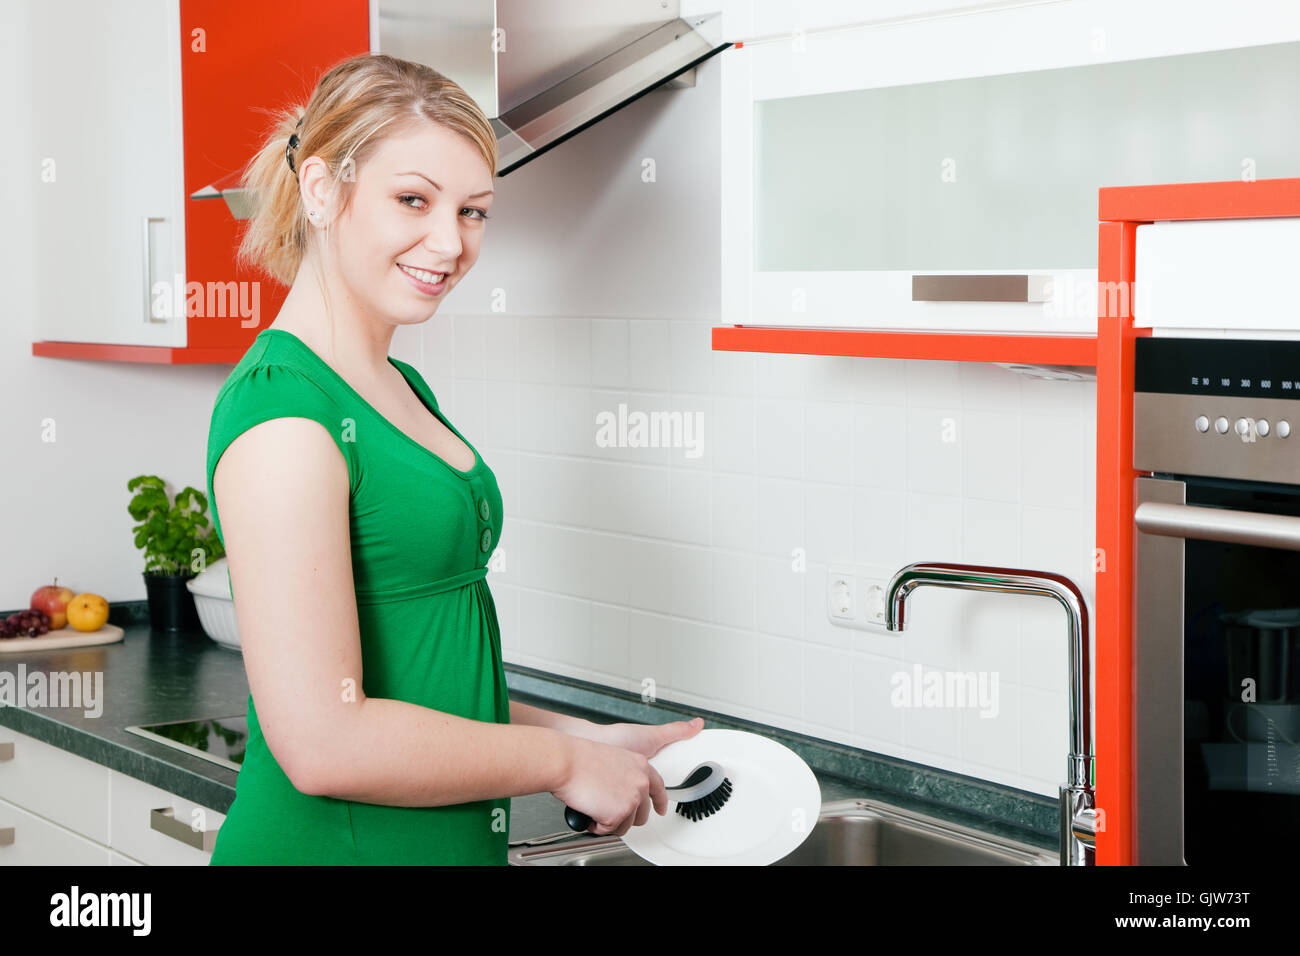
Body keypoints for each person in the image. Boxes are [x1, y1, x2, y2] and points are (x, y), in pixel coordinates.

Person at [204, 52, 702, 864]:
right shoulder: (284, 415)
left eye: (474, 211)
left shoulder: (395, 386)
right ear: (324, 191)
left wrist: (593, 735)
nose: (450, 242)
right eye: (413, 200)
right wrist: (563, 761)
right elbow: (323, 740)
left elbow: (426, 677)